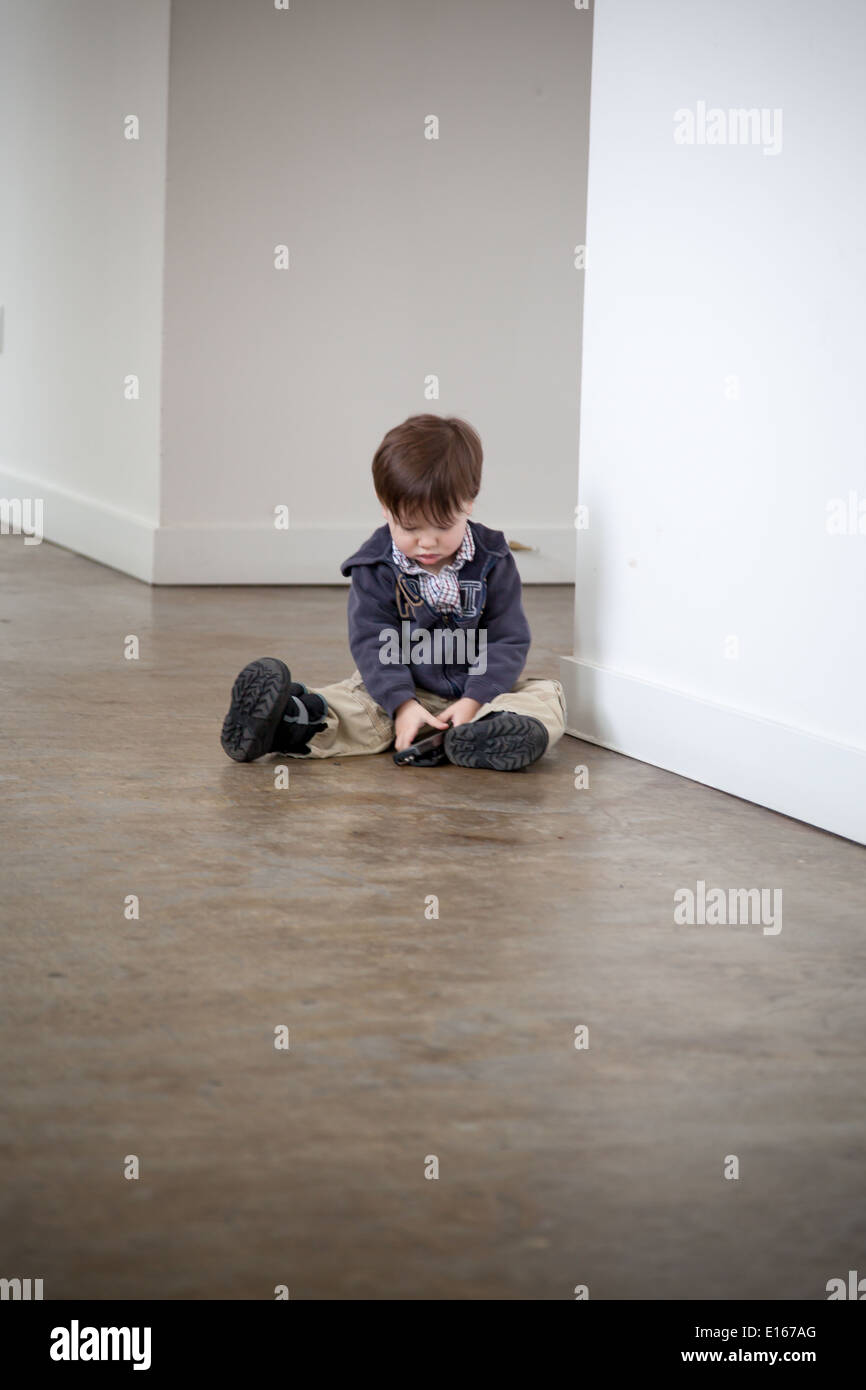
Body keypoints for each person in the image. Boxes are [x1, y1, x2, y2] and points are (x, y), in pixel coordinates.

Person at [220, 414, 566, 771]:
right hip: (398, 689)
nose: (427, 542)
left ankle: (490, 734)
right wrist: (401, 704)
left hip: (479, 694)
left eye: (444, 526)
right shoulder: (376, 567)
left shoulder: (493, 559)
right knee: (356, 709)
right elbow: (373, 642)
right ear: (386, 508)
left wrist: (475, 700)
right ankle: (290, 721)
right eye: (410, 527)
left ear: (470, 501)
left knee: (545, 694)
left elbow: (507, 639)